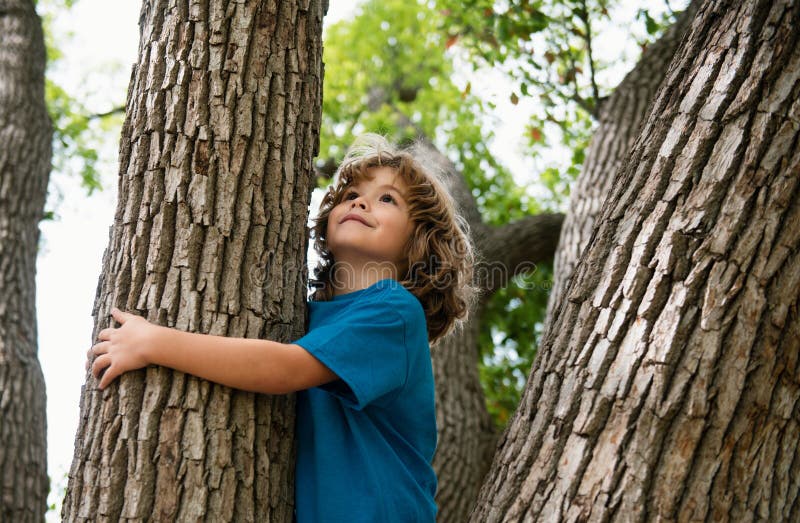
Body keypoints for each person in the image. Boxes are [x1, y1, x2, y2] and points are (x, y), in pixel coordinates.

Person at [87, 133, 475, 522]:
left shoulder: (394, 312)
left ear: (420, 242)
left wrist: (155, 343)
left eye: (387, 198)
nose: (359, 201)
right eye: (351, 193)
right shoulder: (304, 316)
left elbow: (284, 369)